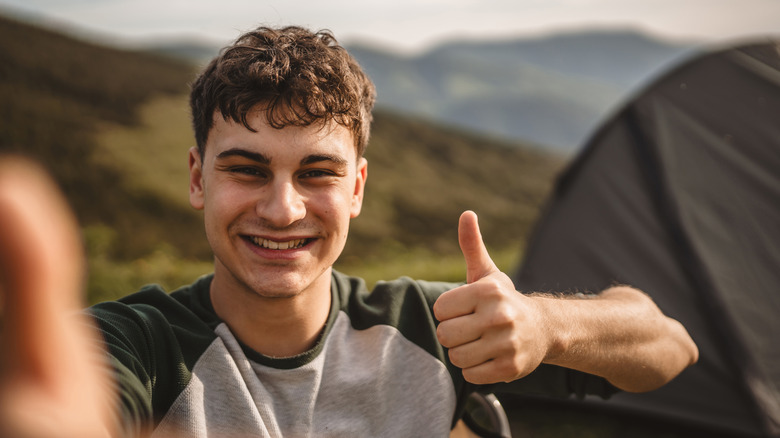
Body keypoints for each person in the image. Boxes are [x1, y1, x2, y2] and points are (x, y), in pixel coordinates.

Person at [0, 26, 698, 438]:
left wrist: (543, 326)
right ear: (196, 178)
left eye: (317, 173)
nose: (282, 209)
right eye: (247, 170)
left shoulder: (429, 327)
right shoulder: (140, 348)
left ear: (357, 188)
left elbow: (670, 348)